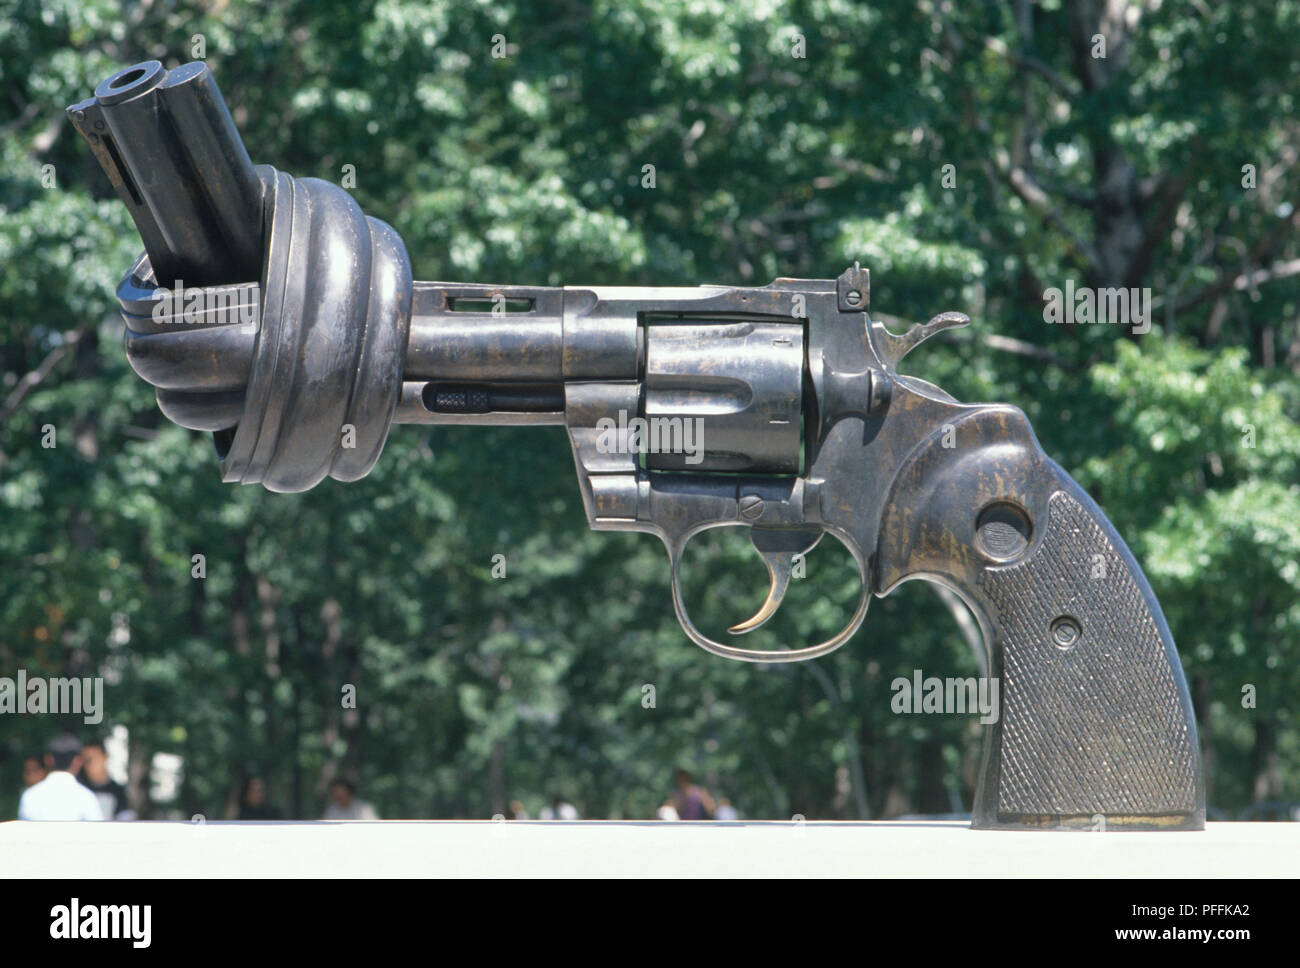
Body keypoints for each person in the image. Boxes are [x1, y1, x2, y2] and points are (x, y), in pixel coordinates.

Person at [18, 735, 105, 821]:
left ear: (48, 759)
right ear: (77, 761)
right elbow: (98, 829)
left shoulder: (30, 797)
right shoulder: (87, 798)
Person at [80, 739, 134, 821]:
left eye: (95, 757)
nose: (91, 762)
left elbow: (126, 819)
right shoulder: (79, 789)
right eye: (86, 759)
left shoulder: (118, 791)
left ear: (105, 757)